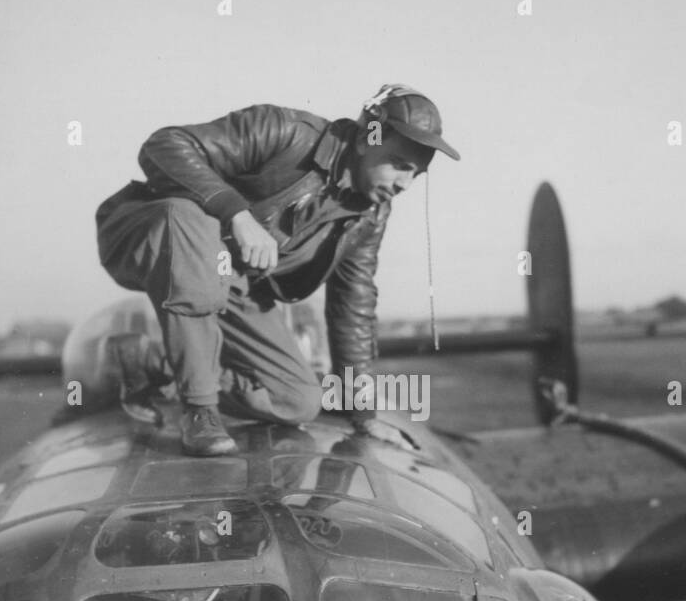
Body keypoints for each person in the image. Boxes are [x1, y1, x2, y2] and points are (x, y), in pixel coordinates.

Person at [95, 84, 459, 455]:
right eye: (399, 165)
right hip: (153, 234)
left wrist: (363, 414)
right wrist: (235, 213)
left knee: (297, 400)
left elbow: (353, 307)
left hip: (236, 283)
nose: (405, 184)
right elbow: (164, 146)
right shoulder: (285, 132)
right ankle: (200, 412)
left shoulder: (370, 213)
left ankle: (149, 362)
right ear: (369, 138)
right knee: (189, 217)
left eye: (417, 174)